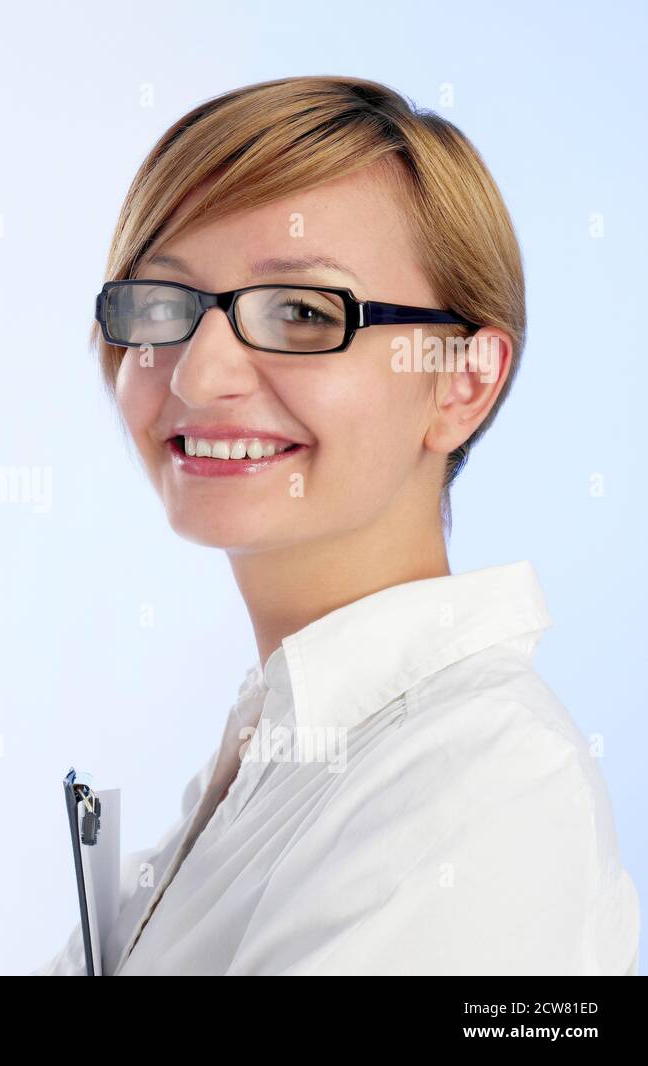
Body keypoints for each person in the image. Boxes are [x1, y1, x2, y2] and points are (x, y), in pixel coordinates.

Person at [33, 76, 639, 975]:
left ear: (461, 381)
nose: (200, 376)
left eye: (305, 313)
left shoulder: (486, 784)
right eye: (162, 304)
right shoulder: (271, 752)